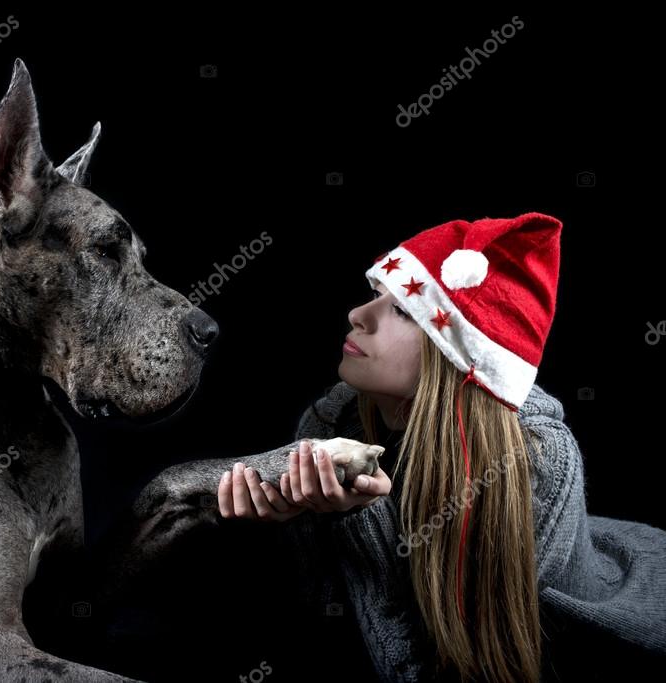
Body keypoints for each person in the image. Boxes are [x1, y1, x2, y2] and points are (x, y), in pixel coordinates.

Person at [217, 212, 666, 681]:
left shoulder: (534, 462)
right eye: (376, 295)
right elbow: (319, 627)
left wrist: (361, 520)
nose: (357, 315)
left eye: (403, 310)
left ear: (455, 358)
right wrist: (288, 522)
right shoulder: (333, 421)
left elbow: (450, 669)